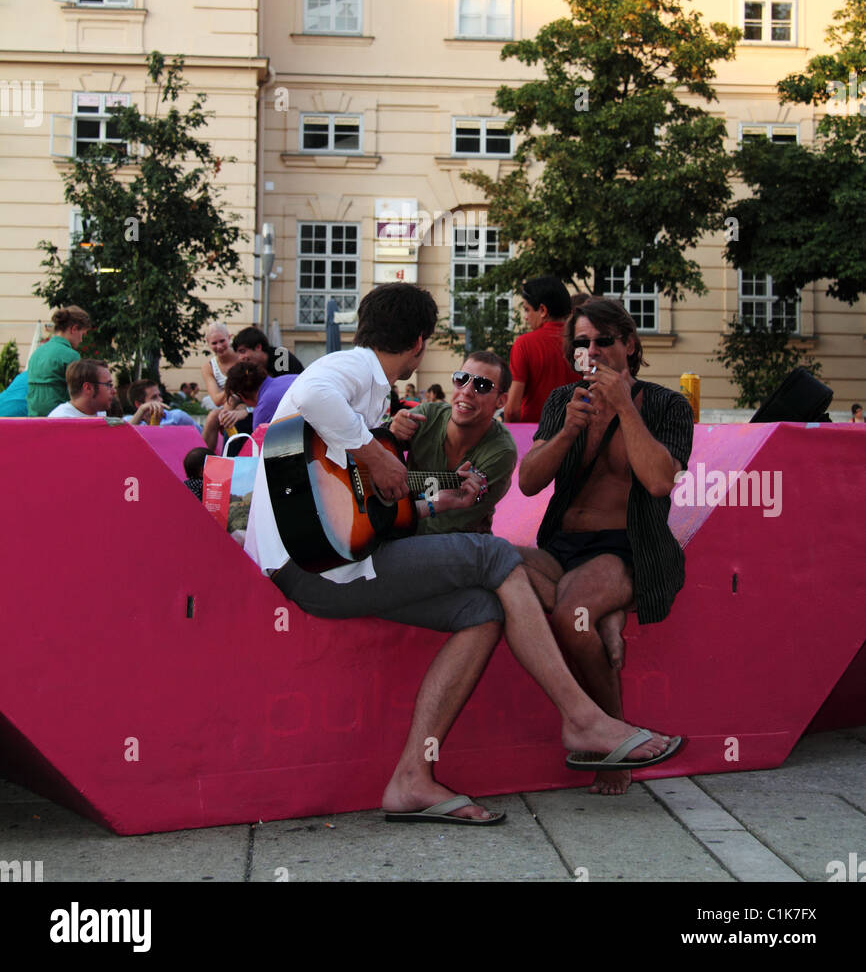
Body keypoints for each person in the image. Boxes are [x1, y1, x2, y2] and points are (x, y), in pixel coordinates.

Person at [245, 282, 682, 826]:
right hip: (318, 567)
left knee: (483, 610)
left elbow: (352, 505)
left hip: (327, 561)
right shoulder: (355, 369)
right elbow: (312, 397)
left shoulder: (381, 396)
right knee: (492, 555)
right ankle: (581, 718)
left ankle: (411, 779)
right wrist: (373, 452)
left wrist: (426, 505)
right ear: (420, 344)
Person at [517, 297, 693, 797]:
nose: (592, 351)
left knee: (573, 614)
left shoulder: (666, 405)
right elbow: (529, 483)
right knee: (498, 567)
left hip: (626, 546)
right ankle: (607, 619)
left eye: (604, 341)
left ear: (630, 345)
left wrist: (622, 406)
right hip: (561, 545)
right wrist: (570, 429)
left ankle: (615, 738)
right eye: (582, 343)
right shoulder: (563, 402)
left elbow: (660, 481)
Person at [389, 352, 517, 536]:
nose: (466, 391)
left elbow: (452, 523)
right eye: (461, 379)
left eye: (482, 385)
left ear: (501, 401)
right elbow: (373, 458)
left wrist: (386, 523)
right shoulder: (427, 415)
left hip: (458, 542)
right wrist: (392, 432)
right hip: (399, 527)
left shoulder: (500, 452)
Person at [503, 276, 574, 422]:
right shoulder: (582, 344)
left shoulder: (524, 344)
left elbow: (511, 410)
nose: (526, 317)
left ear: (542, 310)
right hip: (576, 436)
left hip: (534, 436)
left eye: (527, 310)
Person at [26, 306, 92, 417]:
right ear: (74, 329)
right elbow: (80, 396)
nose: (81, 340)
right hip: (59, 419)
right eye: (82, 334)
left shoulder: (37, 353)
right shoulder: (71, 355)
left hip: (33, 418)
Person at [47, 360, 115, 419]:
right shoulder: (60, 421)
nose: (114, 391)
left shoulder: (101, 414)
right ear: (88, 388)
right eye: (108, 385)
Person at [124, 379, 200, 428]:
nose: (160, 400)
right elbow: (122, 438)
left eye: (159, 395)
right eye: (154, 397)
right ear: (139, 404)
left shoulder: (177, 417)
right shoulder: (129, 421)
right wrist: (141, 411)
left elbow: (203, 437)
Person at [233, 327, 303, 377]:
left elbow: (284, 385)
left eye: (243, 351)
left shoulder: (281, 357)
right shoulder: (249, 368)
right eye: (238, 353)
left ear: (258, 347)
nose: (240, 358)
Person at [201, 323, 238, 410]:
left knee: (231, 401)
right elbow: (216, 400)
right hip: (225, 407)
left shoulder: (242, 358)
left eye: (222, 341)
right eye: (214, 343)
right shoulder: (208, 367)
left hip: (247, 405)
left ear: (229, 338)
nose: (219, 346)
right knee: (213, 416)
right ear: (208, 344)